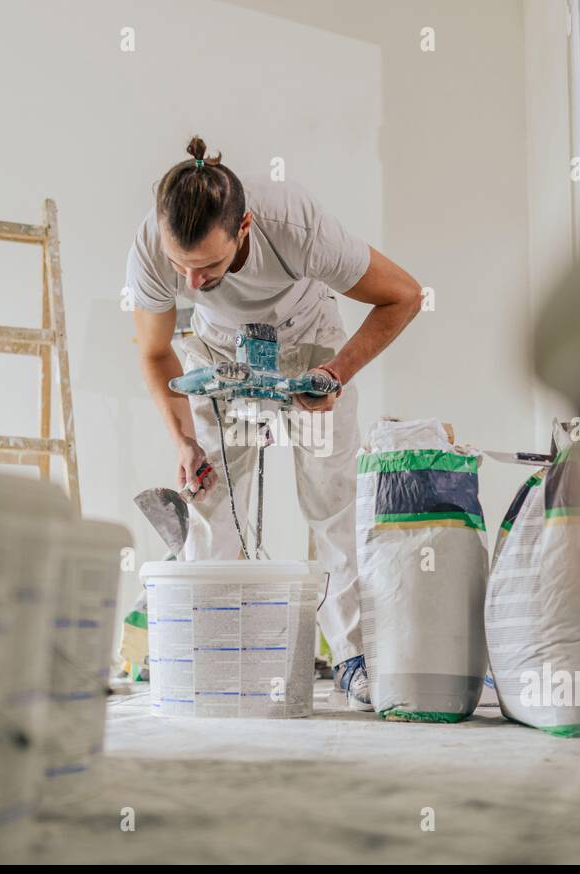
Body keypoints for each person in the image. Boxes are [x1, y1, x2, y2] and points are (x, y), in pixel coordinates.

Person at [127, 136, 423, 710]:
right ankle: (210, 647)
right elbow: (155, 352)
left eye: (208, 265)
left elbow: (404, 296)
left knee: (331, 499)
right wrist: (185, 441)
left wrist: (336, 374)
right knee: (214, 497)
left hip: (307, 347)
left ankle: (353, 655)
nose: (192, 282)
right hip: (220, 356)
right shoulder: (150, 244)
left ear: (245, 228)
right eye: (180, 266)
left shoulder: (297, 225)